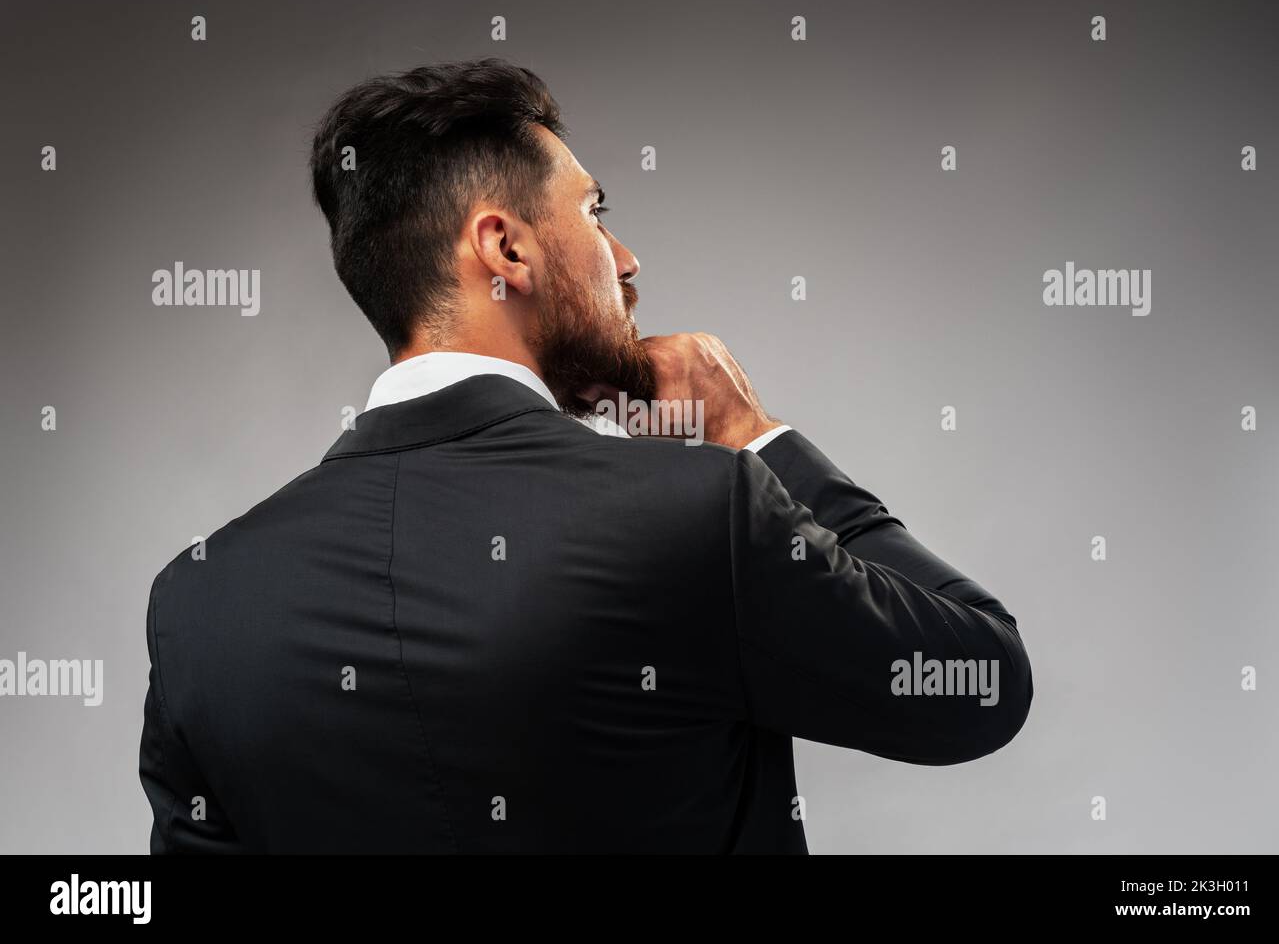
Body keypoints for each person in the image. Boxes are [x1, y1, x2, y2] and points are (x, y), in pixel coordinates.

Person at [138, 57, 1032, 853]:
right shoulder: (696, 510)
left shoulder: (200, 600)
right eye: (596, 213)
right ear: (506, 248)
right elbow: (981, 681)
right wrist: (754, 435)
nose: (627, 258)